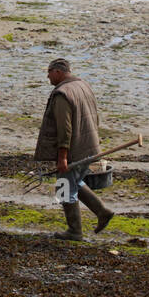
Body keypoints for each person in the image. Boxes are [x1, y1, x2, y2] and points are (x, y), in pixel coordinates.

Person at [34, 57, 114, 241]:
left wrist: (62, 156)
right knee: (74, 181)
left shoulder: (62, 93)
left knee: (64, 187)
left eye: (49, 72)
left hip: (74, 150)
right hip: (89, 145)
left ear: (58, 72)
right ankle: (102, 211)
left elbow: (65, 128)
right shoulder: (83, 85)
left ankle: (74, 231)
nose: (47, 77)